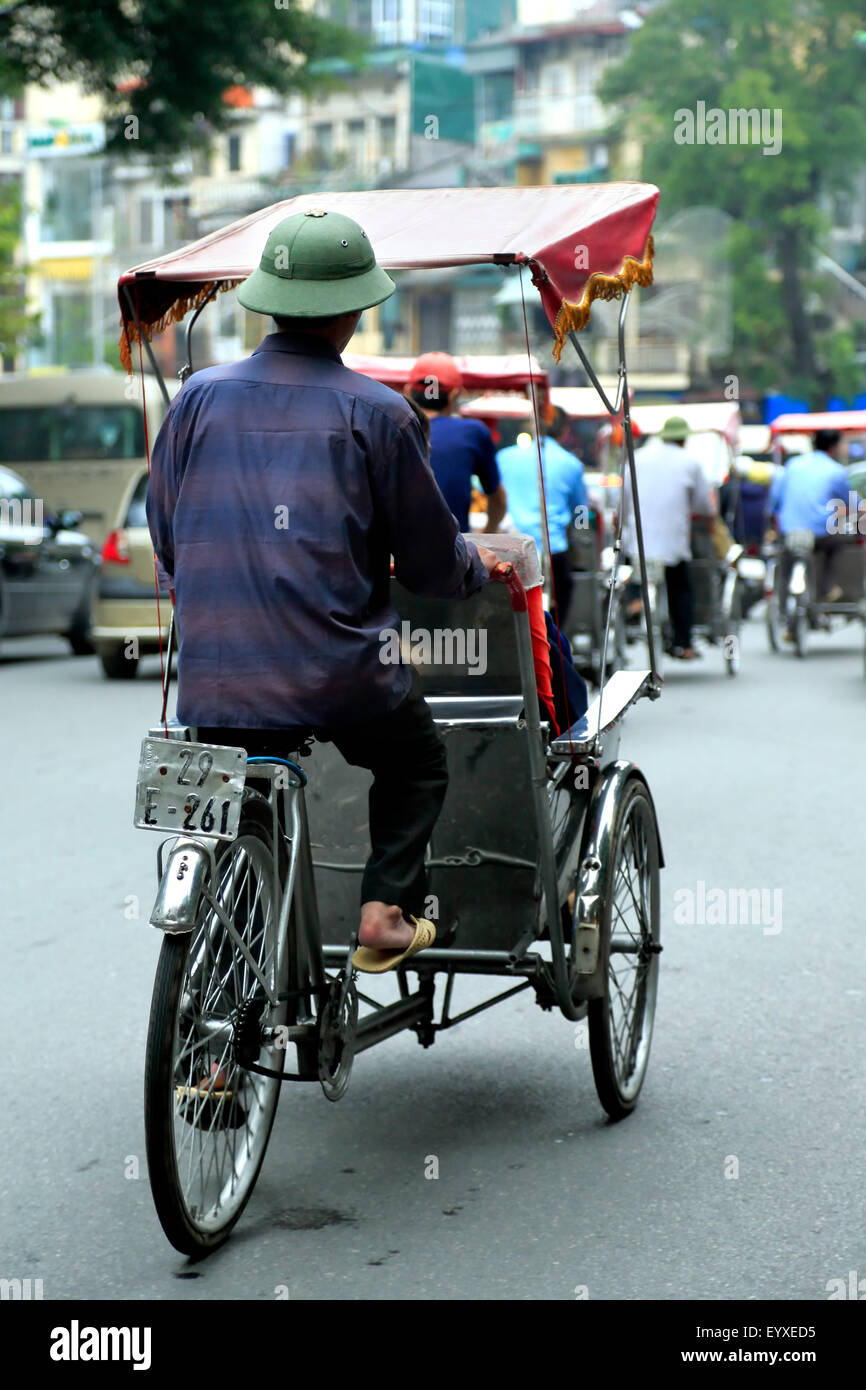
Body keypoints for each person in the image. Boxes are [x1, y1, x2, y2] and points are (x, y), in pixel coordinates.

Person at [146, 209, 500, 984]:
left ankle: (215, 1046)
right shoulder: (377, 410)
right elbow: (436, 564)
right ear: (354, 310)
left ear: (269, 301)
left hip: (215, 674)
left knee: (238, 818)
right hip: (340, 675)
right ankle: (383, 912)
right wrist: (475, 568)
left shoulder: (198, 398)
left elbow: (165, 534)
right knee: (415, 764)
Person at [620, 415, 716, 661]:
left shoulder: (637, 459)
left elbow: (622, 502)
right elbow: (704, 506)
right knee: (680, 589)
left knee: (633, 569)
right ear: (683, 439)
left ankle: (634, 601)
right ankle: (684, 644)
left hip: (639, 541)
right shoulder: (690, 463)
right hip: (673, 541)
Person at [494, 405, 588, 625]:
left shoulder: (505, 458)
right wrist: (582, 537)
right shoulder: (571, 464)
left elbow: (484, 490)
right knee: (557, 612)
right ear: (565, 430)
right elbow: (580, 511)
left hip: (509, 550)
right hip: (553, 550)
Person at [406, 351, 507, 535]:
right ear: (454, 394)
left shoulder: (388, 427)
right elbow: (498, 501)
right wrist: (487, 533)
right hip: (453, 553)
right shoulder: (473, 431)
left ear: (407, 391)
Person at [768, 428, 851, 620]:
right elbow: (851, 503)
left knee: (785, 566)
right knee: (838, 542)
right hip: (821, 533)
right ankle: (828, 587)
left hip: (791, 531)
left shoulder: (792, 465)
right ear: (834, 446)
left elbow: (775, 501)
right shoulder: (836, 471)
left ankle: (784, 614)